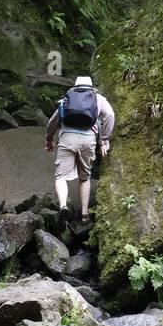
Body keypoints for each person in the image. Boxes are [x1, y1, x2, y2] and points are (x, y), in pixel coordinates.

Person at [45, 76, 115, 220]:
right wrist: (105, 139)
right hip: (88, 140)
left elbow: (53, 121)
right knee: (84, 178)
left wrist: (49, 140)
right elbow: (110, 115)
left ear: (75, 87)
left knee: (60, 177)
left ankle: (63, 205)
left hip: (67, 139)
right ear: (91, 87)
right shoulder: (98, 98)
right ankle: (84, 214)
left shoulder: (67, 98)